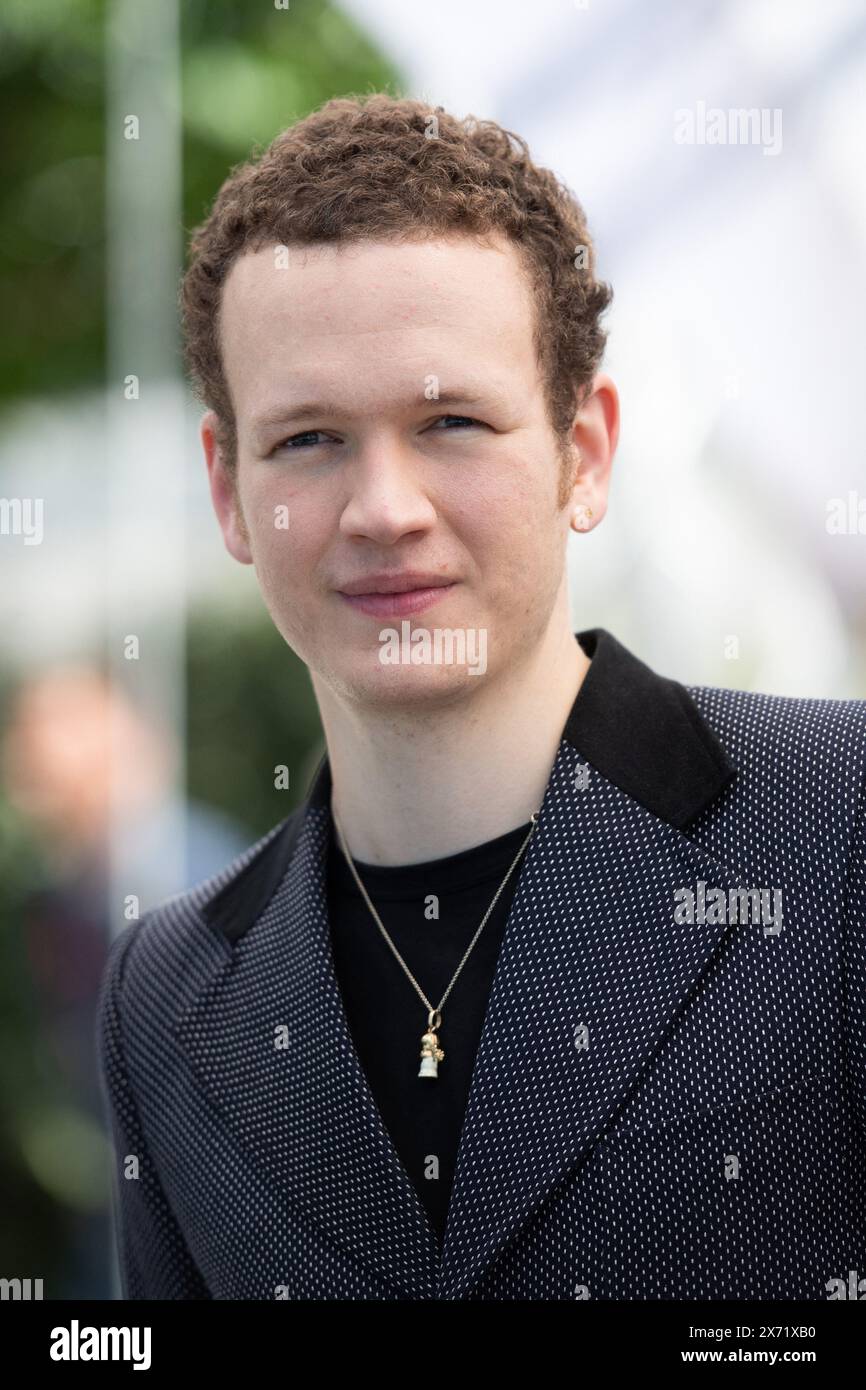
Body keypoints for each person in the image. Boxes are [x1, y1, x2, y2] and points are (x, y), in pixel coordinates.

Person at [96, 93, 866, 1301]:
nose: (384, 508)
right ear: (228, 488)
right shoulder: (166, 993)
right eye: (308, 440)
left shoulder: (840, 820)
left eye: (451, 420)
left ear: (584, 451)